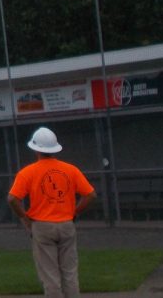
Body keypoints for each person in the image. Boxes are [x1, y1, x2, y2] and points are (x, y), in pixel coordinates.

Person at [7, 127, 96, 298]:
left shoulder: (27, 172)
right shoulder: (70, 169)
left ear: (35, 149)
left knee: (50, 276)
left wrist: (24, 218)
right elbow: (91, 195)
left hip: (42, 226)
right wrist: (74, 212)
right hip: (66, 224)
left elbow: (12, 199)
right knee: (70, 273)